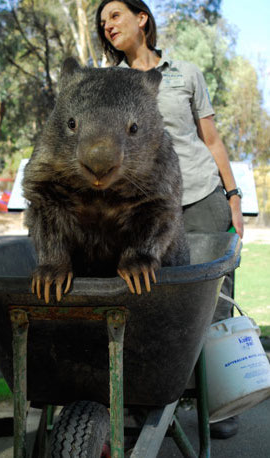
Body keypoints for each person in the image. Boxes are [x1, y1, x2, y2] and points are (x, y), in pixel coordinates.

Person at [96, 0, 244, 439]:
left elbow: (211, 140)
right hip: (145, 209)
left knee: (214, 301)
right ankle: (146, 406)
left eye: (115, 16)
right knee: (144, 303)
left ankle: (219, 403)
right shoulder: (108, 86)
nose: (108, 27)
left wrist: (233, 197)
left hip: (201, 197)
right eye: (102, 23)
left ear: (142, 18)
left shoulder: (187, 73)